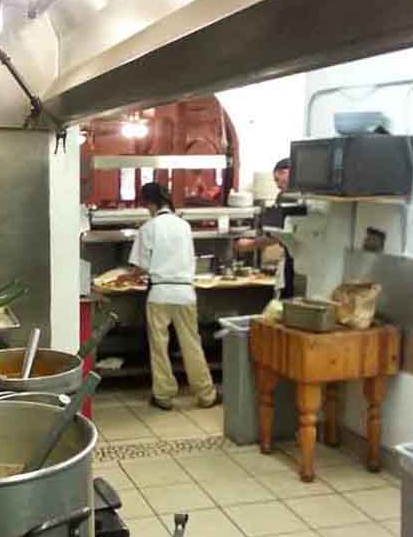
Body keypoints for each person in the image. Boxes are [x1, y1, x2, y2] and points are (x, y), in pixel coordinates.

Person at [120, 182, 218, 411]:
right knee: (192, 344)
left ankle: (163, 396)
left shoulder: (149, 228)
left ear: (149, 203)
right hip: (185, 292)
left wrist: (127, 277)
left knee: (159, 347)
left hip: (160, 294)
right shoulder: (184, 226)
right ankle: (206, 394)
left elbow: (140, 268)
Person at [235, 157, 295, 299]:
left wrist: (250, 244)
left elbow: (277, 235)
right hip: (292, 258)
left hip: (295, 261)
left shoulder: (289, 196)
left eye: (277, 179)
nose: (276, 184)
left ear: (287, 172)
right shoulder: (285, 196)